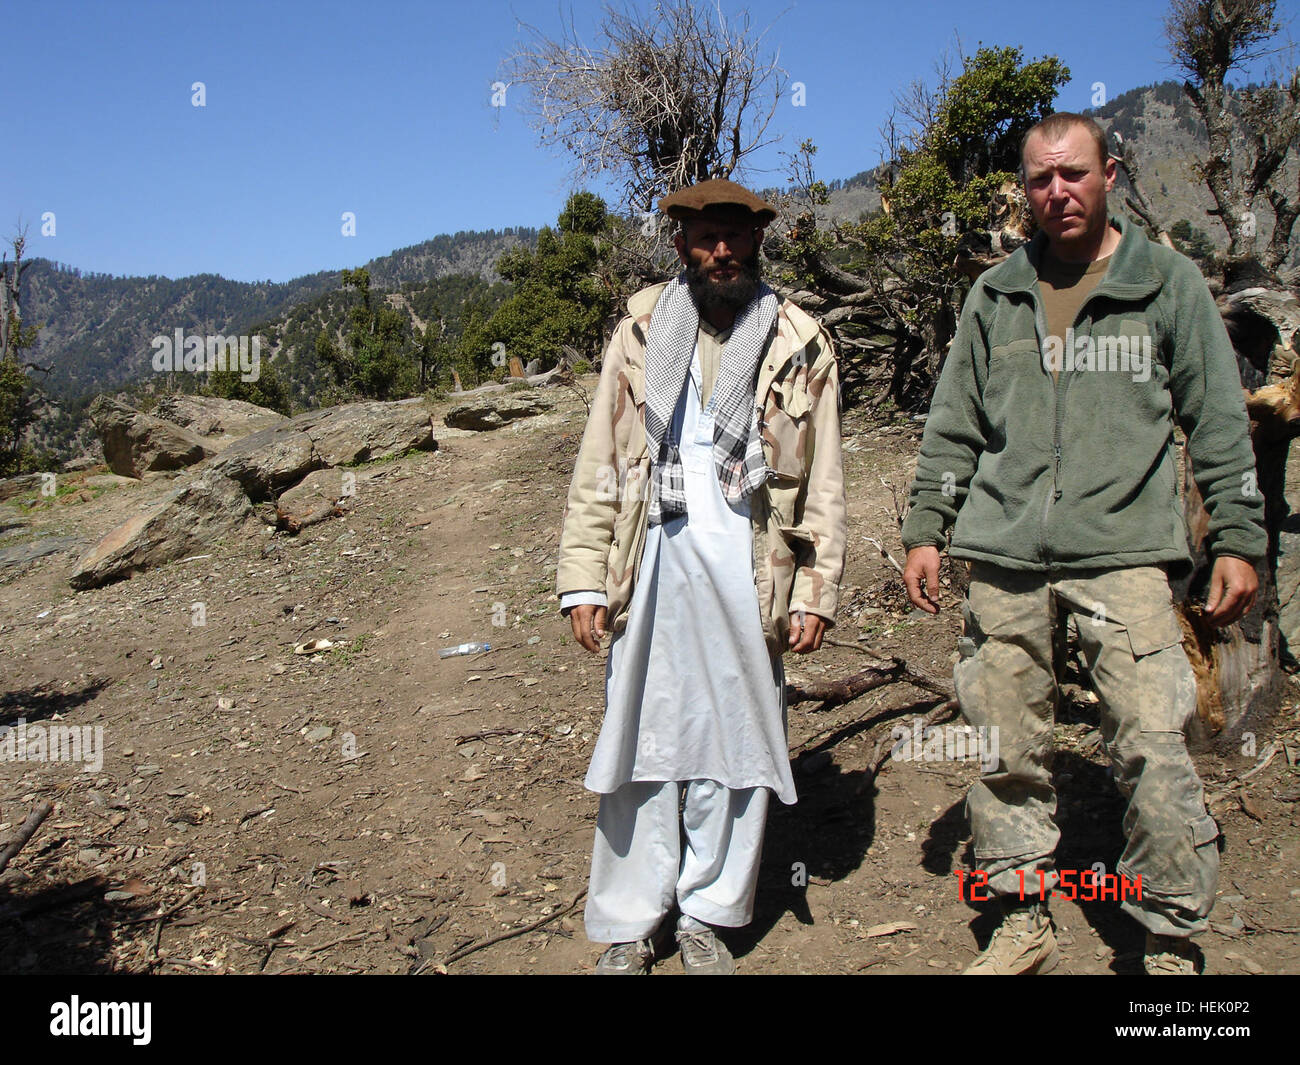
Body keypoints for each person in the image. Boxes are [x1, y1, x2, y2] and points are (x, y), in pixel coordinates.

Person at [900, 112, 1265, 975]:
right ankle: (1021, 913)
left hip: (1126, 552)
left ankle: (1171, 936)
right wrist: (926, 528)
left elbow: (1217, 421)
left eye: (1072, 174)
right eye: (1038, 179)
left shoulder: (1166, 284)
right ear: (1022, 190)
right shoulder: (996, 294)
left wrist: (1239, 539)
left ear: (1110, 171)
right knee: (1002, 744)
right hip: (1005, 557)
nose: (1056, 192)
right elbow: (954, 425)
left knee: (1152, 742)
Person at [556, 178, 847, 974]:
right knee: (638, 733)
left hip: (751, 559)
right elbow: (603, 459)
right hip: (651, 549)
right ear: (681, 242)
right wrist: (584, 579)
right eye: (706, 237)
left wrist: (816, 591)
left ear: (757, 241)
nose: (722, 251)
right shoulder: (644, 327)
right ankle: (630, 916)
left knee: (738, 733)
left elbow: (822, 481)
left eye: (736, 237)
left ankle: (708, 912)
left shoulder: (799, 339)